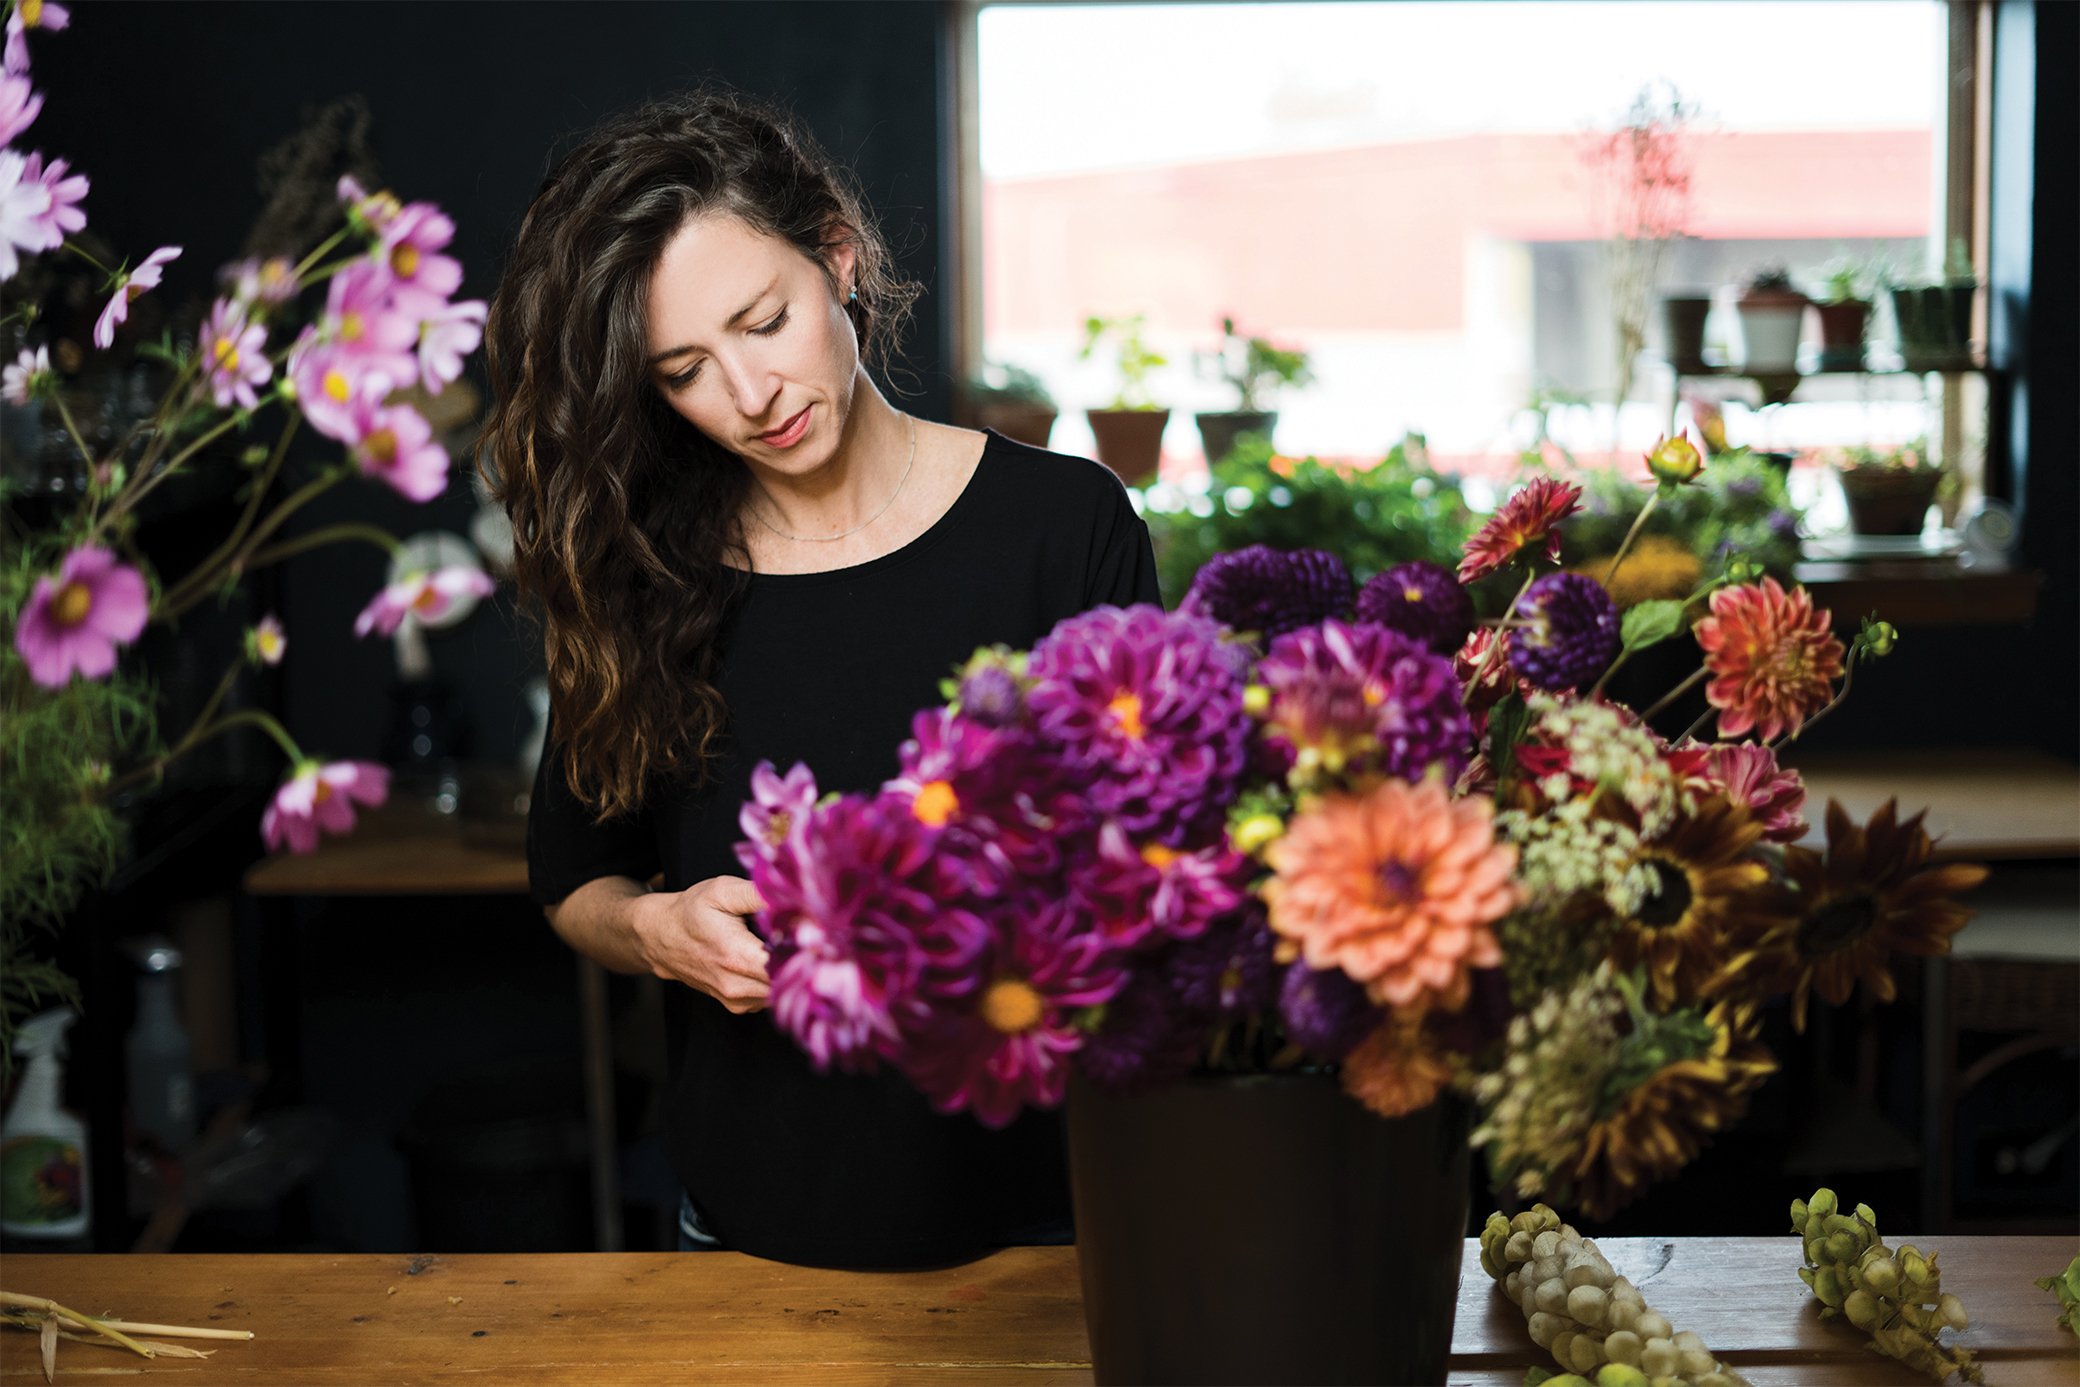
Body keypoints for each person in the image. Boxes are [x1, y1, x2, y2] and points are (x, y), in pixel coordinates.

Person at [479, 89, 1160, 1269]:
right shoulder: (645, 572)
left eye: (764, 321)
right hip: (749, 1234)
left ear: (836, 257)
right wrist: (659, 930)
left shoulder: (1064, 523)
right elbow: (572, 879)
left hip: (1051, 1222)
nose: (748, 398)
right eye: (685, 369)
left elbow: (1155, 849)